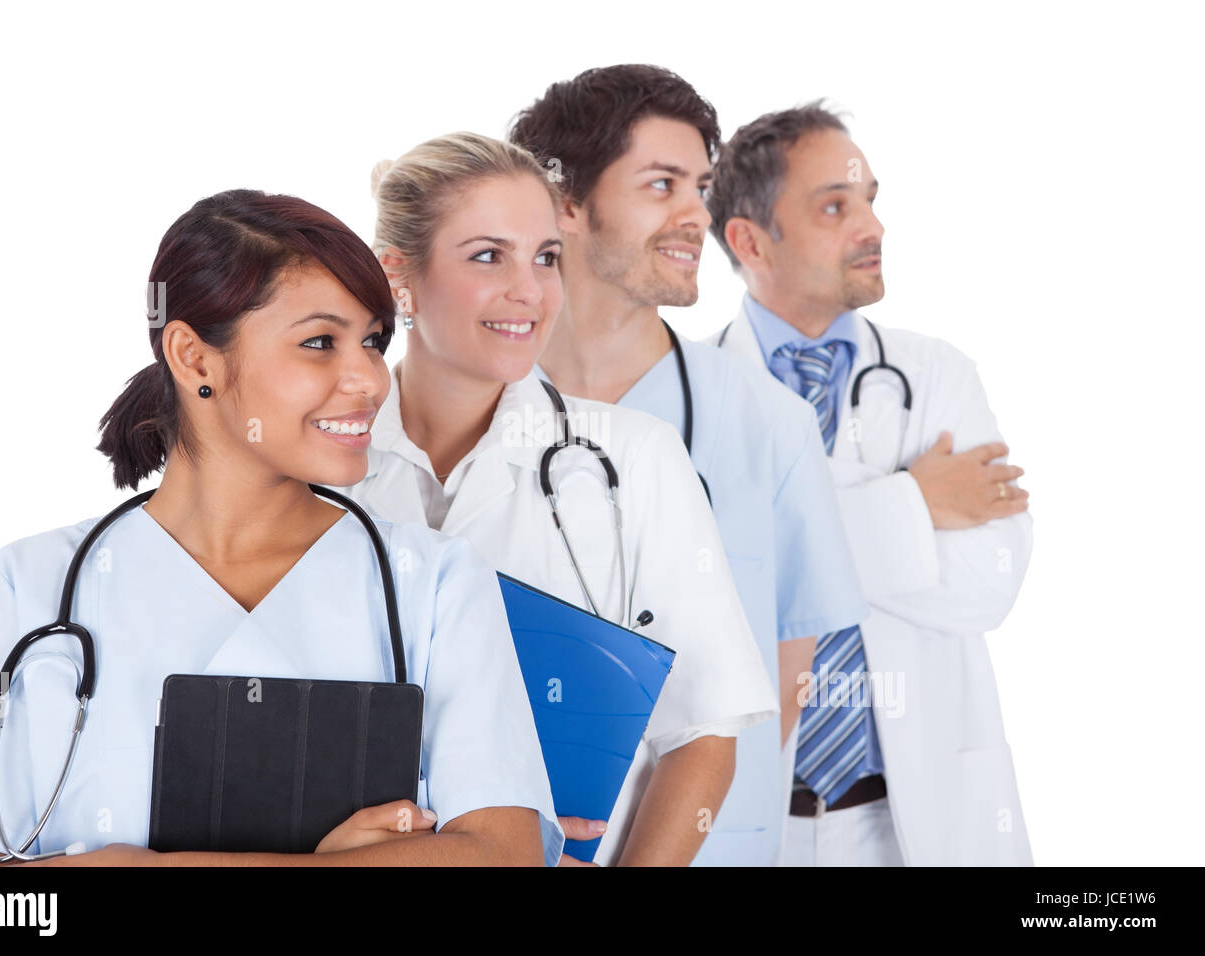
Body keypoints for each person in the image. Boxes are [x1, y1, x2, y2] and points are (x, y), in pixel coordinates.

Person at [0, 188, 562, 867]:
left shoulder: (435, 582)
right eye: (319, 342)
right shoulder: (26, 586)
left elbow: (503, 855)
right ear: (194, 359)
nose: (369, 379)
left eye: (372, 341)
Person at [337, 131, 778, 866]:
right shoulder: (318, 464)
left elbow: (704, 733)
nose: (530, 291)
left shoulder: (633, 459)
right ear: (398, 278)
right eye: (488, 256)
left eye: (546, 257)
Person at [507, 64, 868, 866]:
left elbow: (781, 685)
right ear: (564, 203)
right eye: (661, 184)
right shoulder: (477, 410)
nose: (694, 216)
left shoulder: (767, 421)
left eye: (700, 186)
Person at [704, 102, 1033, 865]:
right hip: (754, 819)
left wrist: (784, 530)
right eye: (834, 206)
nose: (873, 227)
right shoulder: (692, 391)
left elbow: (989, 580)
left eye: (871, 200)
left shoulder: (939, 376)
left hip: (909, 820)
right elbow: (706, 594)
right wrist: (912, 503)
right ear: (749, 240)